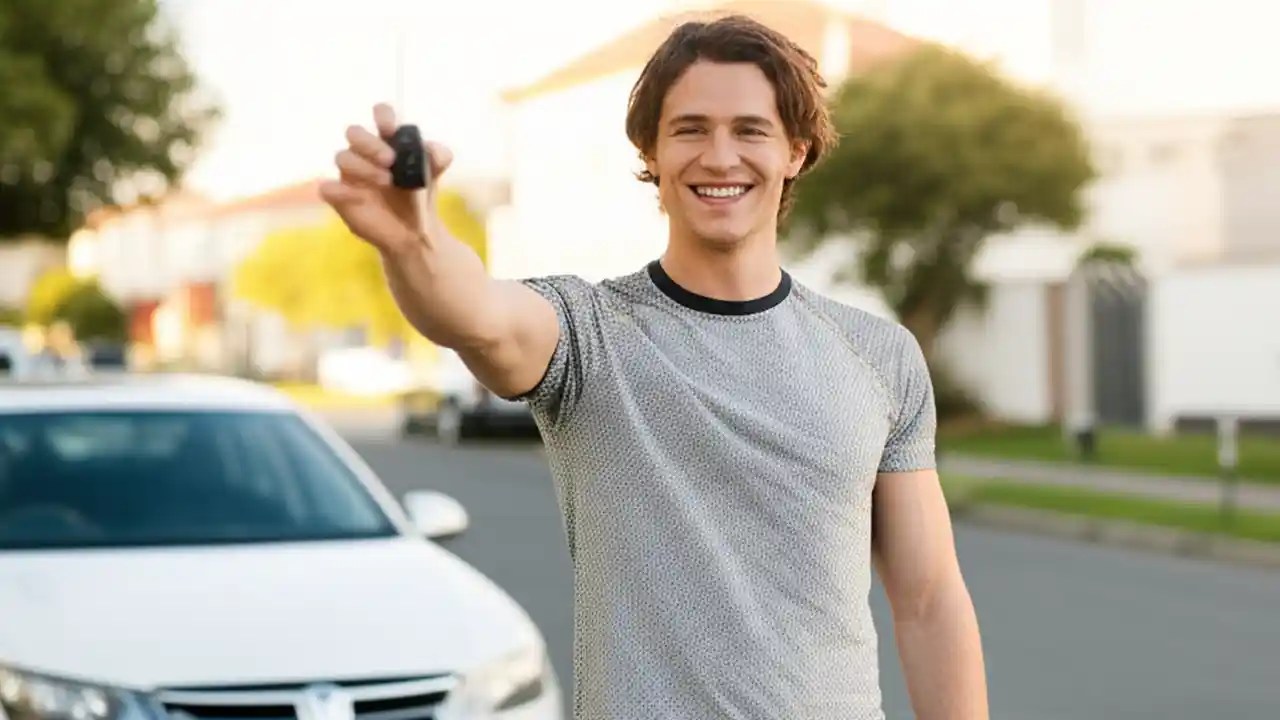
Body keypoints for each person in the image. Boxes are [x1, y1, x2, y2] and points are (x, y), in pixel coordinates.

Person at [321, 13, 988, 720]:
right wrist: (412, 242)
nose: (720, 156)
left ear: (795, 150)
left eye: (750, 130)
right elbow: (472, 312)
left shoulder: (879, 357)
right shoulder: (589, 337)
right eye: (691, 129)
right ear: (653, 151)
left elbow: (927, 600)